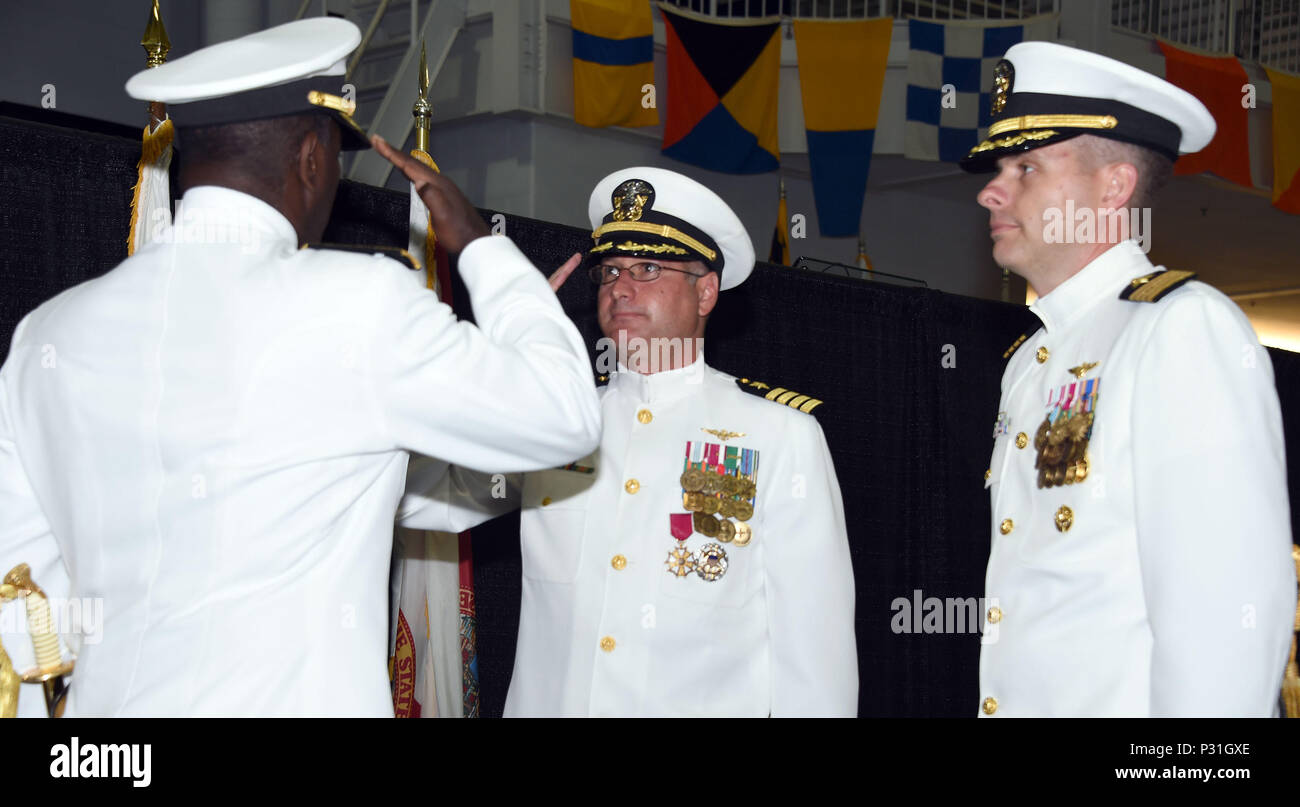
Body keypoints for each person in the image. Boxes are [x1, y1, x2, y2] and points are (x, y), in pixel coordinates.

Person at [0, 18, 600, 717]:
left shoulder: (51, 332)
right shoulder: (358, 303)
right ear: (313, 158)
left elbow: (20, 588)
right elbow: (566, 415)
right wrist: (484, 257)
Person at [402, 167, 858, 716]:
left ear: (706, 291)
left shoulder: (780, 435)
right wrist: (496, 376)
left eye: (647, 268)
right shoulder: (554, 421)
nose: (620, 287)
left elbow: (815, 661)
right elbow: (423, 501)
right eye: (611, 270)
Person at [963, 41, 1296, 717]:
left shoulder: (1179, 330)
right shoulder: (1029, 363)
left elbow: (1226, 616)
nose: (991, 190)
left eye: (1026, 165)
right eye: (999, 166)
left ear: (1113, 186)